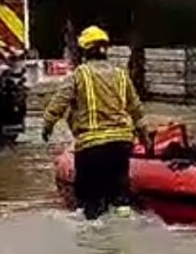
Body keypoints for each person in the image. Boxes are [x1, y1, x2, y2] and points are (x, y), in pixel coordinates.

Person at [42, 25, 151, 220]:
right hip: (121, 145)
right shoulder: (121, 75)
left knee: (90, 204)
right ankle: (123, 222)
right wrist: (145, 138)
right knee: (120, 197)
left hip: (91, 147)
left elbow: (58, 103)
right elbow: (136, 109)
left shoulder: (79, 75)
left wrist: (47, 127)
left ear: (84, 50)